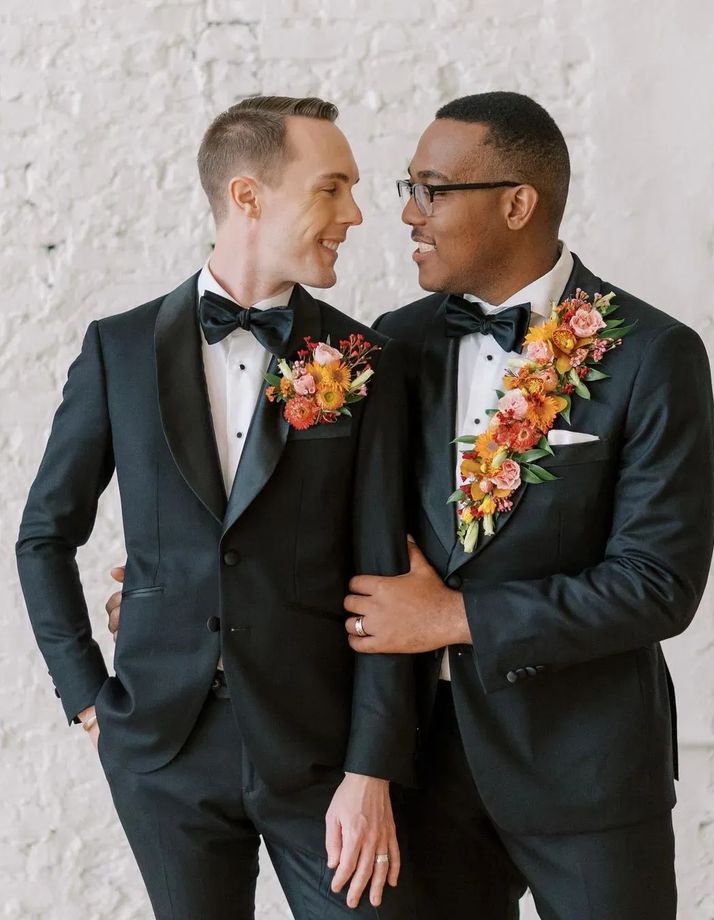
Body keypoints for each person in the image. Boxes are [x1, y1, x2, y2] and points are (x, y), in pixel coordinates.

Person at [16, 95, 418, 920]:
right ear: (248, 197)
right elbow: (44, 536)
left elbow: (385, 575)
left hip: (321, 752)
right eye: (332, 188)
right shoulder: (118, 349)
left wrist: (371, 770)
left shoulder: (361, 360)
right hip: (163, 747)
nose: (356, 212)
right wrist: (90, 702)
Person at [342, 92, 714, 920]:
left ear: (518, 203)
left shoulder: (653, 355)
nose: (407, 212)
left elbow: (658, 584)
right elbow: (329, 525)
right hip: (420, 771)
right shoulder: (393, 343)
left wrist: (453, 618)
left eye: (430, 189)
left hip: (587, 772)